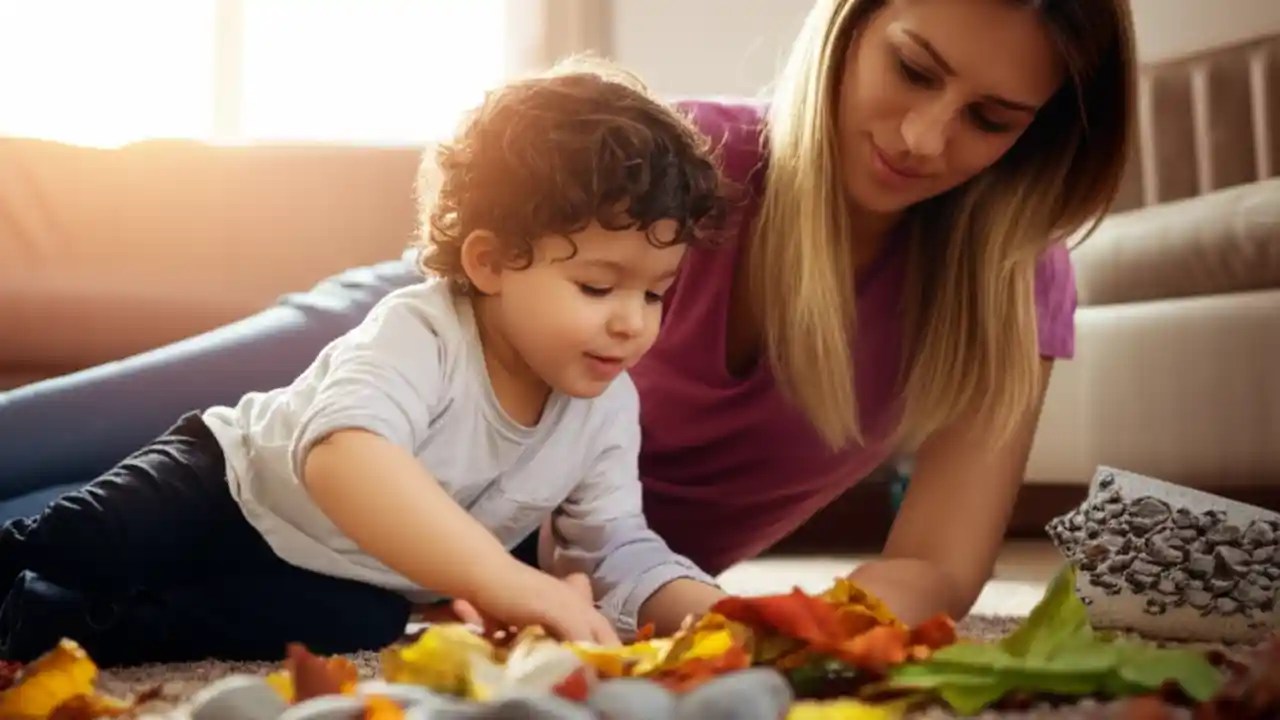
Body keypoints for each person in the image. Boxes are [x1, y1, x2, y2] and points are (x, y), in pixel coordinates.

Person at [0, 0, 1136, 638]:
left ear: (1040, 137)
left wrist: (796, 624)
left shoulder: (1006, 282)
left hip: (510, 524)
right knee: (31, 453)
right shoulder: (689, 157)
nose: (925, 139)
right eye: (910, 69)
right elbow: (463, 308)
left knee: (115, 585)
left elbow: (937, 564)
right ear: (850, 24)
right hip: (375, 369)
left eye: (989, 118)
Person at [0, 64, 732, 665]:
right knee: (100, 541)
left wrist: (737, 620)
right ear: (489, 262)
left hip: (328, 570)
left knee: (355, 624)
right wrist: (504, 579)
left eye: (656, 294)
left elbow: (616, 547)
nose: (631, 322)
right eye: (598, 288)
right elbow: (345, 458)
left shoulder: (605, 405)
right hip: (222, 482)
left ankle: (35, 617)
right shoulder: (423, 332)